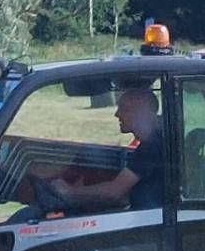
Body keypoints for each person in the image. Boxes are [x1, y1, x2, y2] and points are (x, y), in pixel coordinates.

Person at [41, 85, 164, 213]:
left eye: (124, 109)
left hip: (147, 221)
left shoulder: (152, 147)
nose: (117, 114)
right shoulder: (155, 141)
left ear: (142, 112)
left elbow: (114, 192)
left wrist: (69, 191)